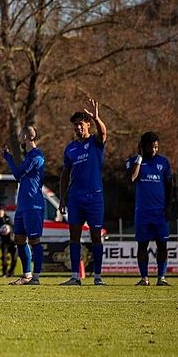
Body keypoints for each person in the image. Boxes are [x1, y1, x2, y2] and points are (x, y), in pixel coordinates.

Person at [58, 99, 108, 286]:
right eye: (75, 125)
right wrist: (62, 198)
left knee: (95, 236)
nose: (78, 127)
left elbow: (103, 133)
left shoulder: (95, 142)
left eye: (81, 124)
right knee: (74, 237)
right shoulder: (70, 148)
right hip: (75, 198)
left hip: (94, 197)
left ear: (88, 125)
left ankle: (97, 277)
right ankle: (75, 277)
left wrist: (97, 118)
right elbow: (65, 174)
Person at [1, 127, 46, 285]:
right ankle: (27, 275)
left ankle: (36, 277)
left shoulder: (36, 156)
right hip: (22, 206)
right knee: (19, 238)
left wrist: (8, 158)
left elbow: (18, 174)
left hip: (33, 205)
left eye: (20, 136)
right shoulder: (29, 156)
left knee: (34, 240)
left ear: (25, 137)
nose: (19, 138)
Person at [126, 132, 172, 286]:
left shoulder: (163, 162)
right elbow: (131, 178)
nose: (153, 150)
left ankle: (161, 278)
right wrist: (139, 157)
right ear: (143, 146)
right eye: (151, 147)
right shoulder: (133, 161)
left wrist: (169, 207)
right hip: (143, 213)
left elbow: (169, 186)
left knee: (162, 245)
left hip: (160, 212)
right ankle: (144, 278)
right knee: (142, 245)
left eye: (156, 147)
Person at [0, 207, 17, 277]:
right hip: (4, 242)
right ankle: (5, 273)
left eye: (1, 211)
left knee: (14, 258)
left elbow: (12, 227)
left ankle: (11, 272)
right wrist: (1, 232)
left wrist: (9, 229)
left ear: (3, 211)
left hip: (12, 241)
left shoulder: (8, 218)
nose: (0, 212)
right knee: (4, 258)